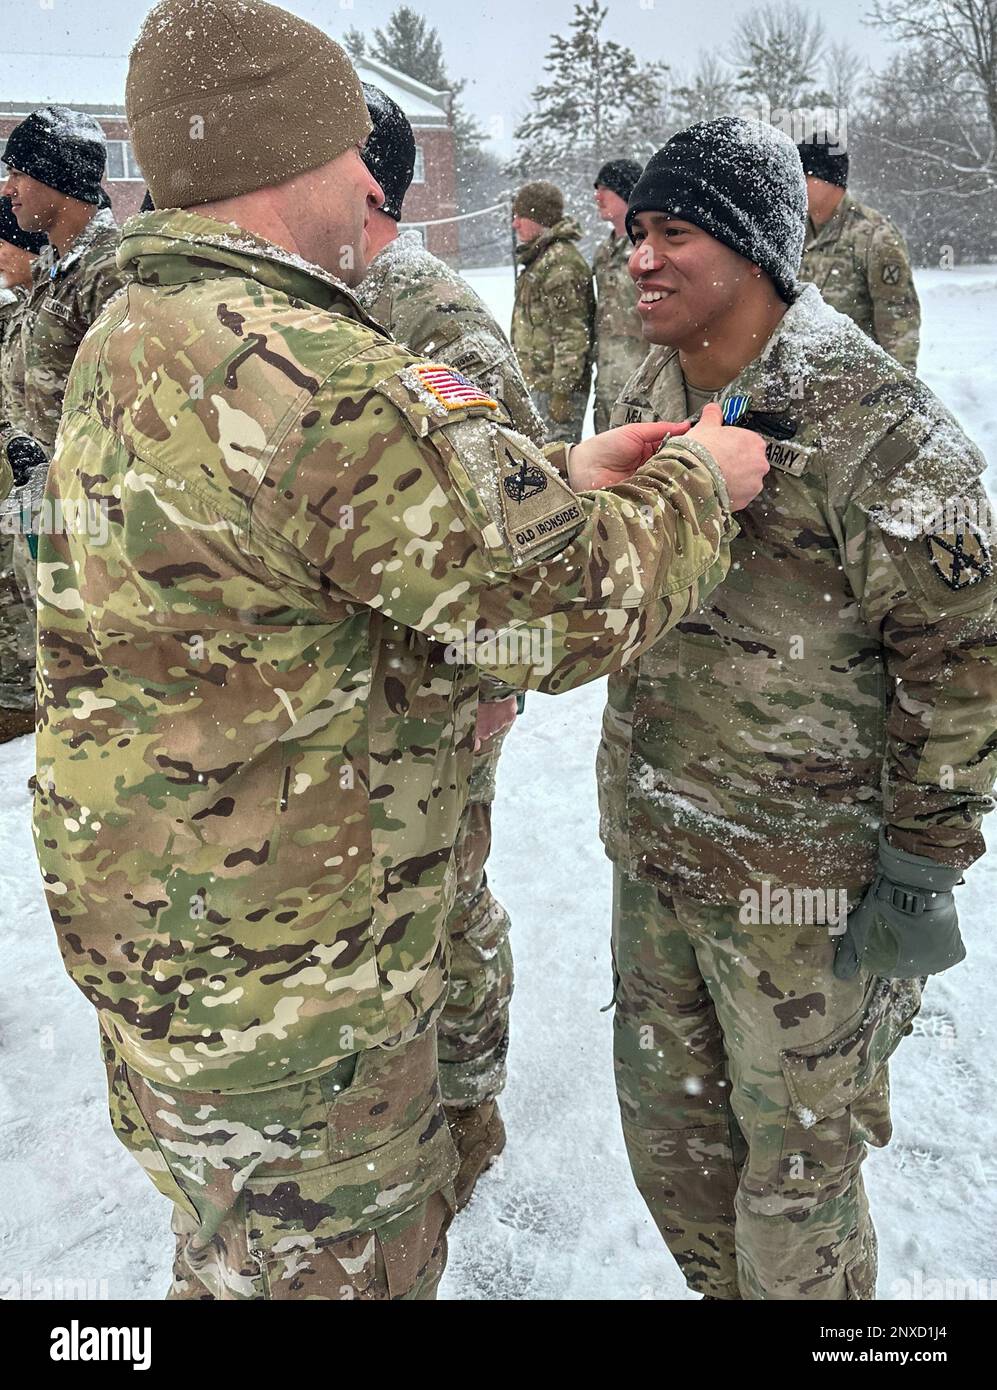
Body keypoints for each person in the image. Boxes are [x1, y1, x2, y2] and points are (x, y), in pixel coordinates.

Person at [34, 0, 769, 1302]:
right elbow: (561, 606)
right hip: (294, 994)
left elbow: (318, 542)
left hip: (172, 948)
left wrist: (546, 472)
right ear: (277, 159)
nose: (372, 182)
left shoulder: (143, 332)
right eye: (345, 154)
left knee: (236, 1254)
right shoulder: (311, 370)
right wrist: (703, 483)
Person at [604, 116, 996, 1301]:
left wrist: (921, 868)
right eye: (634, 235)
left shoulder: (881, 426)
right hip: (659, 858)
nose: (639, 259)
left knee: (796, 1188)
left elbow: (963, 662)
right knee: (674, 1161)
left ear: (757, 250)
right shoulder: (642, 385)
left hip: (807, 895)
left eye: (674, 234)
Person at [355, 84, 543, 1208]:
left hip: (445, 685)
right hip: (371, 685)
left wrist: (500, 673)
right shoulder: (330, 297)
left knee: (452, 904)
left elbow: (525, 510)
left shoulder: (427, 310)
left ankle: (468, 1110)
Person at [0, 106, 128, 652]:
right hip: (47, 507)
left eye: (17, 174)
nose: (8, 191)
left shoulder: (110, 272)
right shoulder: (56, 269)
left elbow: (129, 413)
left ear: (54, 175)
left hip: (95, 520)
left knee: (94, 675)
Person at [797, 133, 920, 370]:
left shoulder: (875, 235)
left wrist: (896, 390)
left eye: (805, 176)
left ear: (829, 179)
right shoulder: (795, 231)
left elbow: (898, 318)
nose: (797, 184)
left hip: (856, 385)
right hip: (802, 379)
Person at [0, 196, 45, 740]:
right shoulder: (21, 311)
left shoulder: (36, 310)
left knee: (24, 589)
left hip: (39, 473)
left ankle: (18, 694)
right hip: (21, 472)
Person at [511, 181, 594, 442]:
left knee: (557, 468)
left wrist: (562, 392)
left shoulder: (560, 265)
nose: (515, 224)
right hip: (539, 385)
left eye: (520, 217)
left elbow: (572, 335)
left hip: (554, 391)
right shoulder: (541, 258)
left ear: (539, 218)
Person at [591, 159, 645, 433]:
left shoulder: (647, 250)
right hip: (606, 384)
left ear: (626, 192)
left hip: (642, 387)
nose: (597, 196)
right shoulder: (603, 253)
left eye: (605, 188)